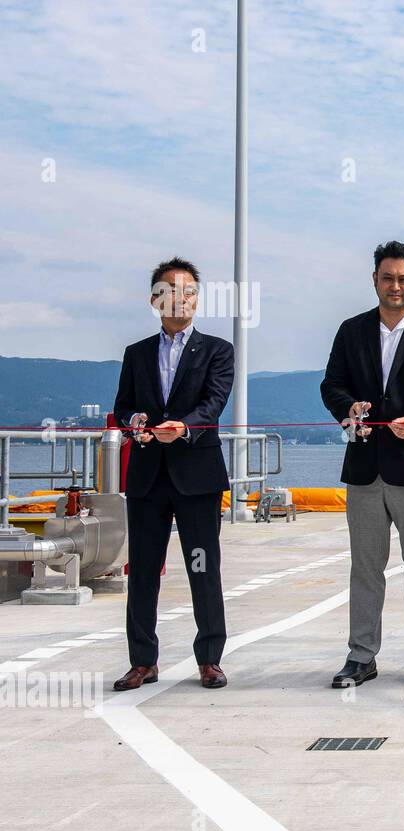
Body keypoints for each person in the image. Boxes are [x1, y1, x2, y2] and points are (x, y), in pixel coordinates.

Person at [320, 240, 404, 690]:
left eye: (403, 279)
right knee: (365, 568)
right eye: (387, 278)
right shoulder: (351, 331)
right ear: (375, 280)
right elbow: (331, 384)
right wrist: (347, 408)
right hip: (364, 468)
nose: (395, 286)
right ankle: (361, 656)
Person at [111, 257, 234, 691]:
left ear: (197, 300)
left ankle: (209, 659)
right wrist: (135, 423)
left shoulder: (218, 350)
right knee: (143, 572)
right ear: (154, 300)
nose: (180, 299)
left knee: (203, 568)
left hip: (197, 476)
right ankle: (142, 661)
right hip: (147, 478)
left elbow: (214, 403)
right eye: (170, 291)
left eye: (188, 292)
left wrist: (183, 427)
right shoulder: (137, 353)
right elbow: (123, 407)